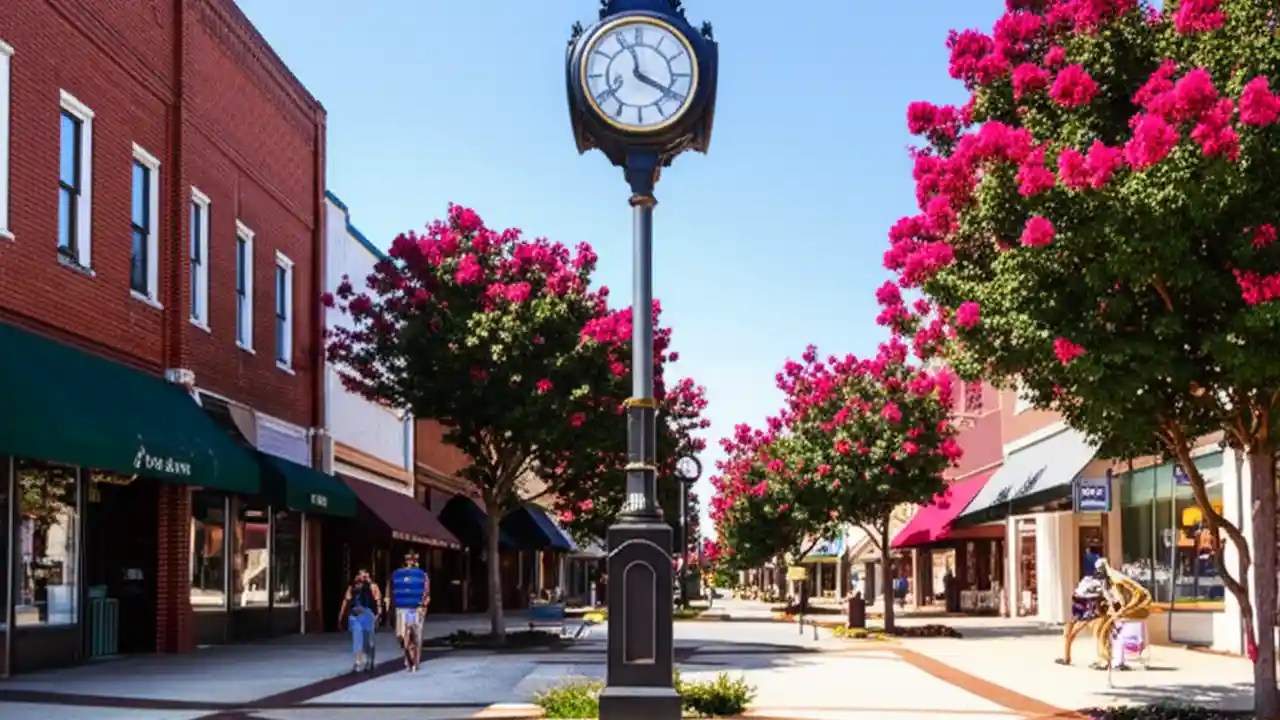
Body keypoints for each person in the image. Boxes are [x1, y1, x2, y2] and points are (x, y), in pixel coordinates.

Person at [389, 550, 430, 672]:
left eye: (412, 560)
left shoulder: (422, 575)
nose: (410, 562)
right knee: (402, 636)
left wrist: (422, 607)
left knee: (415, 635)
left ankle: (414, 662)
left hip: (415, 609)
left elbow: (427, 592)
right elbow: (391, 590)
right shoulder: (396, 575)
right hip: (401, 609)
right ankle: (409, 657)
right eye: (408, 560)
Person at [337, 569, 382, 673]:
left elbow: (377, 600)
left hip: (367, 615)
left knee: (368, 640)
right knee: (357, 639)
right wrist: (341, 615)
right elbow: (346, 600)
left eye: (364, 575)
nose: (361, 577)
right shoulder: (351, 587)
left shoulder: (372, 586)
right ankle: (358, 662)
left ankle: (369, 660)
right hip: (355, 615)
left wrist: (378, 614)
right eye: (360, 575)